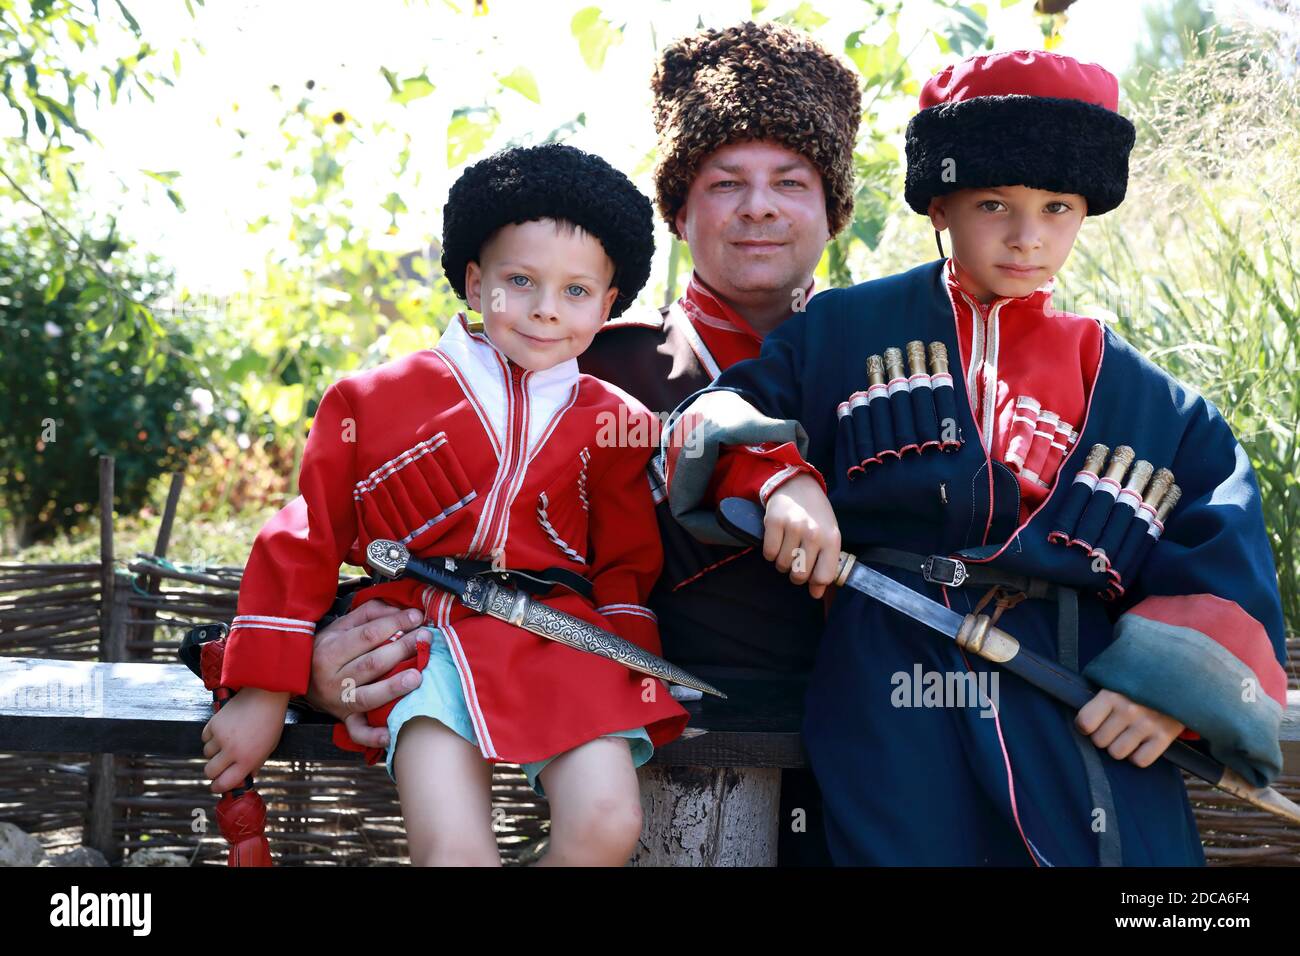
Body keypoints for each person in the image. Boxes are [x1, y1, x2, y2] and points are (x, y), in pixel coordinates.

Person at [662, 50, 1289, 865]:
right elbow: (715, 415)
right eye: (994, 203)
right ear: (940, 207)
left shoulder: (1151, 401)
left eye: (1057, 207)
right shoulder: (844, 333)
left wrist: (1166, 694)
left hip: (1080, 692)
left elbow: (1219, 534)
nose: (1028, 237)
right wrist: (783, 482)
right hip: (891, 674)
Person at [304, 20, 863, 868]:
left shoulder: (885, 374)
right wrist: (320, 655)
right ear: (678, 207)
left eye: (792, 179)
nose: (758, 206)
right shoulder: (578, 365)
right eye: (723, 182)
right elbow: (387, 520)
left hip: (857, 755)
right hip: (638, 758)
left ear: (834, 209)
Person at [201, 143, 689, 866]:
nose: (546, 311)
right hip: (421, 645)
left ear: (610, 304)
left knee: (607, 825)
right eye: (519, 280)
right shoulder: (372, 399)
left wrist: (631, 664)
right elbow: (305, 538)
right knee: (453, 853)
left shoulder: (615, 421)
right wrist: (264, 692)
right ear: (473, 279)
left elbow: (622, 564)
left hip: (562, 643)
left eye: (577, 292)